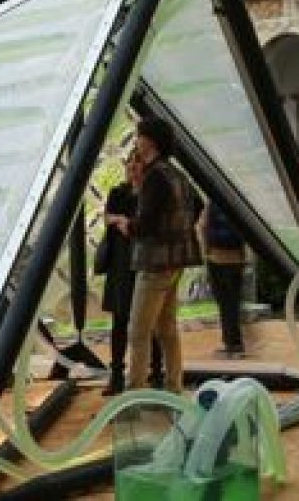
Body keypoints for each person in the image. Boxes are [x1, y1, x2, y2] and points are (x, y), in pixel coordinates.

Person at [106, 117, 201, 392]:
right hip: (176, 261)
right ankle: (174, 387)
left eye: (138, 135)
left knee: (138, 332)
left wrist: (125, 223)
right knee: (167, 329)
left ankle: (133, 395)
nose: (135, 140)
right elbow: (197, 204)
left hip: (155, 263)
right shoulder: (176, 174)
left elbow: (144, 224)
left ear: (149, 140)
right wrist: (178, 228)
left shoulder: (155, 176)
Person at [98, 154, 161, 395]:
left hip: (144, 265)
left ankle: (156, 372)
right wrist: (121, 220)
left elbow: (146, 224)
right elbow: (107, 217)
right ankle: (116, 375)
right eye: (130, 166)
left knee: (150, 321)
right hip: (120, 267)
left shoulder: (150, 195)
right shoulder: (118, 192)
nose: (132, 170)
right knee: (120, 321)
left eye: (137, 166)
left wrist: (125, 222)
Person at [200, 201, 246, 358]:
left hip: (217, 257)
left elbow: (203, 226)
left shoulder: (213, 204)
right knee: (232, 303)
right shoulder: (236, 200)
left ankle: (232, 345)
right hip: (236, 258)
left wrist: (205, 250)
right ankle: (233, 343)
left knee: (226, 303)